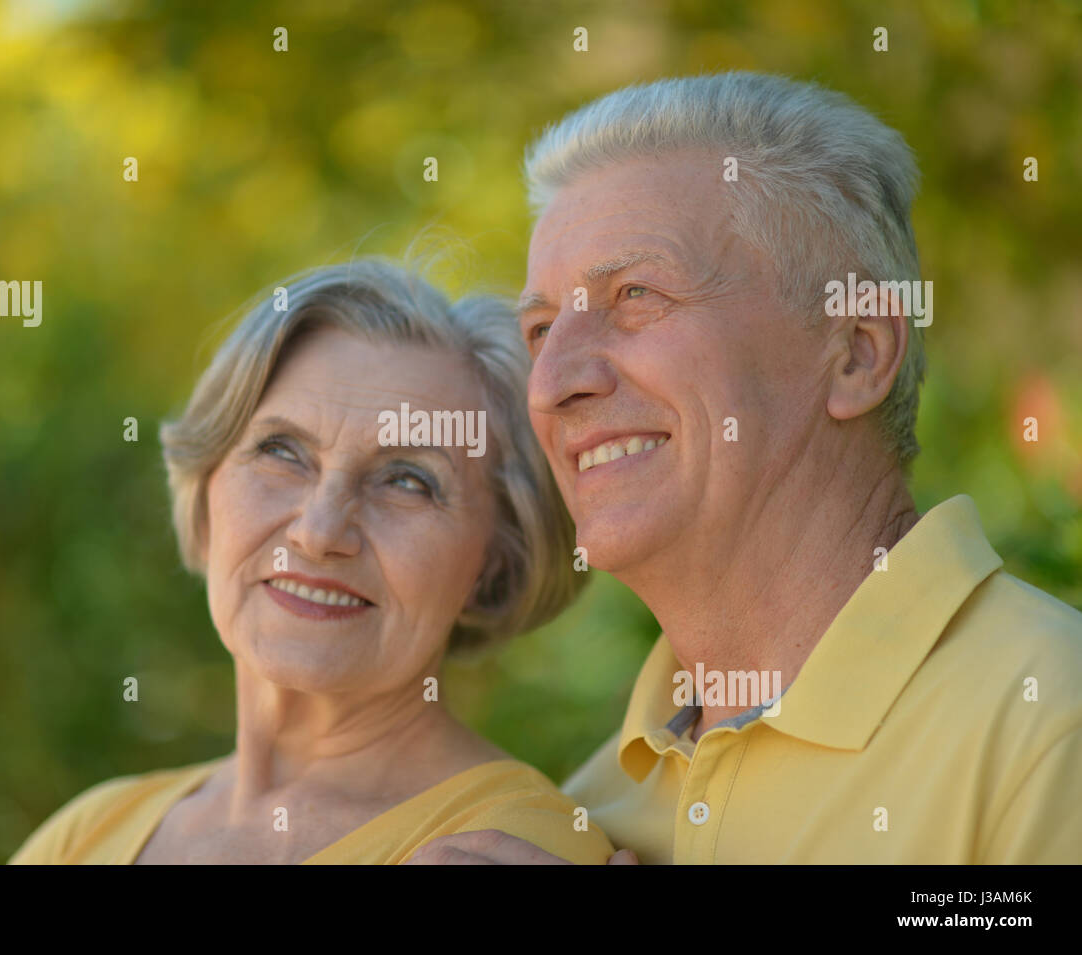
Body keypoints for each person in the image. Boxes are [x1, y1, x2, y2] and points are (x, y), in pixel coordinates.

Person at [407, 72, 1082, 864]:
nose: (553, 384)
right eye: (540, 330)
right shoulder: (582, 817)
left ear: (857, 351)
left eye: (635, 294)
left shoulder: (1048, 718)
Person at [10, 258, 615, 864]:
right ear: (206, 491)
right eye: (281, 450)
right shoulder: (89, 833)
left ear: (495, 561)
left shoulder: (518, 843)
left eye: (408, 481)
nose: (320, 532)